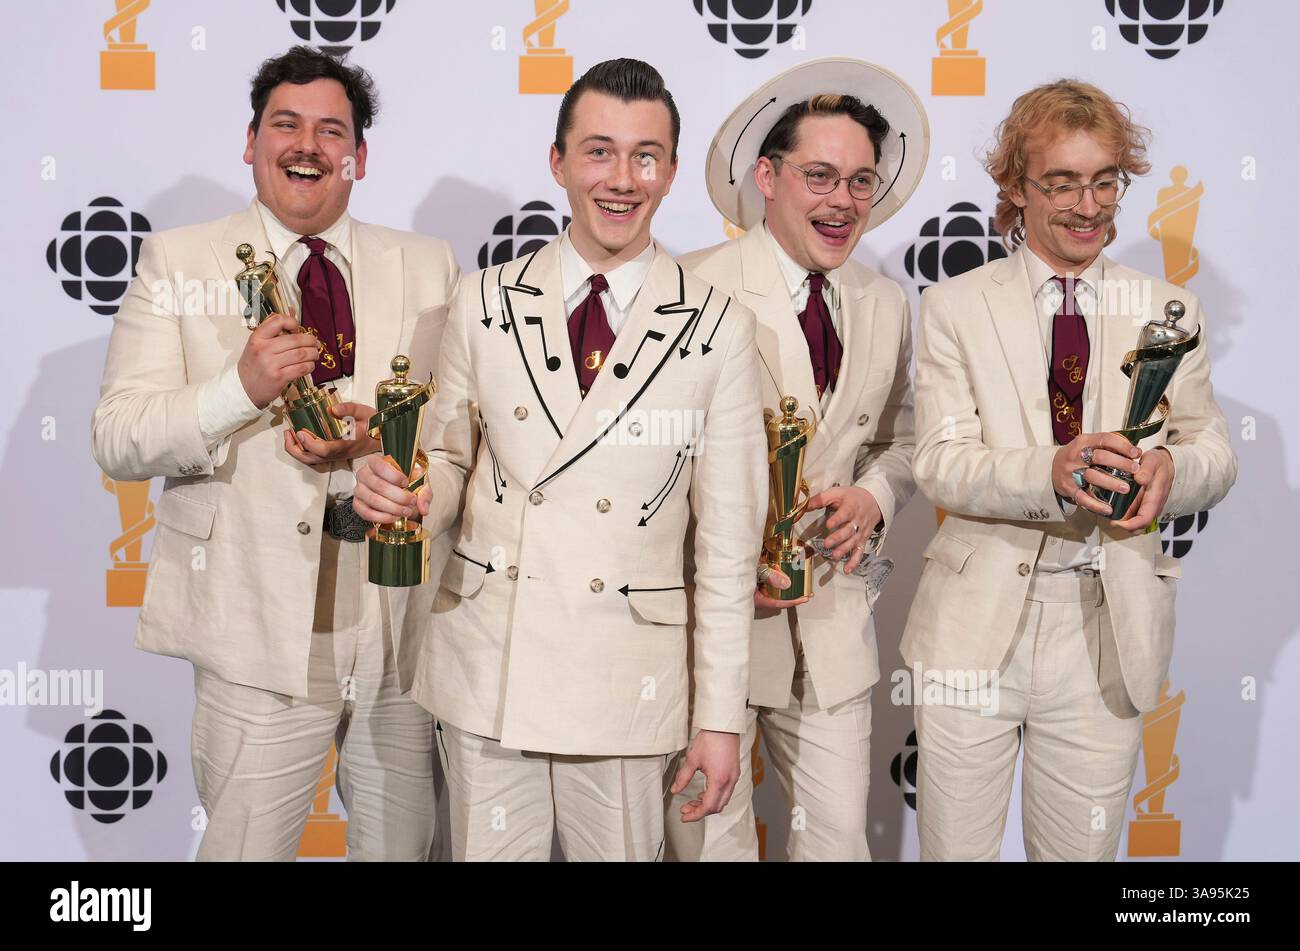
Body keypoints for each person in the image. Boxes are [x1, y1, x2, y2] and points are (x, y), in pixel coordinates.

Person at [354, 58, 767, 861]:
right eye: (599, 151)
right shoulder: (482, 300)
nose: (623, 178)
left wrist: (718, 719)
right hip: (489, 662)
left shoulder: (721, 327)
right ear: (558, 161)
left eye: (646, 156)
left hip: (625, 678)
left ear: (673, 170)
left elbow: (726, 546)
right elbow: (446, 462)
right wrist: (410, 493)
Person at [92, 46, 460, 860]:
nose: (309, 146)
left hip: (397, 620)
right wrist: (241, 388)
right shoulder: (178, 260)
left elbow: (458, 430)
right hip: (255, 622)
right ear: (250, 142)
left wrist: (387, 443)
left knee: (406, 846)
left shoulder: (429, 264)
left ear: (358, 158)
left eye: (332, 131)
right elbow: (117, 437)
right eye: (286, 125)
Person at [903, 80, 1237, 861]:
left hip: (1107, 632)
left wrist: (1169, 471)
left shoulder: (1170, 309)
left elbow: (1213, 451)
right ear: (1017, 188)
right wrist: (1050, 470)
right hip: (971, 632)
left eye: (1105, 181)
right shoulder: (954, 306)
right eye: (1062, 182)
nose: (1089, 205)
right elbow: (941, 462)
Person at [667, 58, 925, 862]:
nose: (842, 201)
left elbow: (904, 435)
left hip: (834, 631)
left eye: (859, 182)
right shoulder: (689, 288)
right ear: (767, 176)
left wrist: (876, 495)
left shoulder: (884, 301)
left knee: (838, 847)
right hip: (707, 637)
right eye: (820, 176)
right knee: (711, 846)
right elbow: (645, 462)